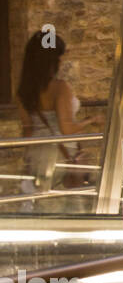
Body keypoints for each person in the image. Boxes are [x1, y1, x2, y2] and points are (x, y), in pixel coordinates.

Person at [16, 31, 100, 204]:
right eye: (58, 58)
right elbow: (66, 128)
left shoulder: (22, 92)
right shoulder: (60, 88)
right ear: (51, 61)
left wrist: (28, 161)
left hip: (37, 155)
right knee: (70, 203)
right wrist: (91, 120)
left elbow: (28, 129)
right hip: (60, 156)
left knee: (43, 202)